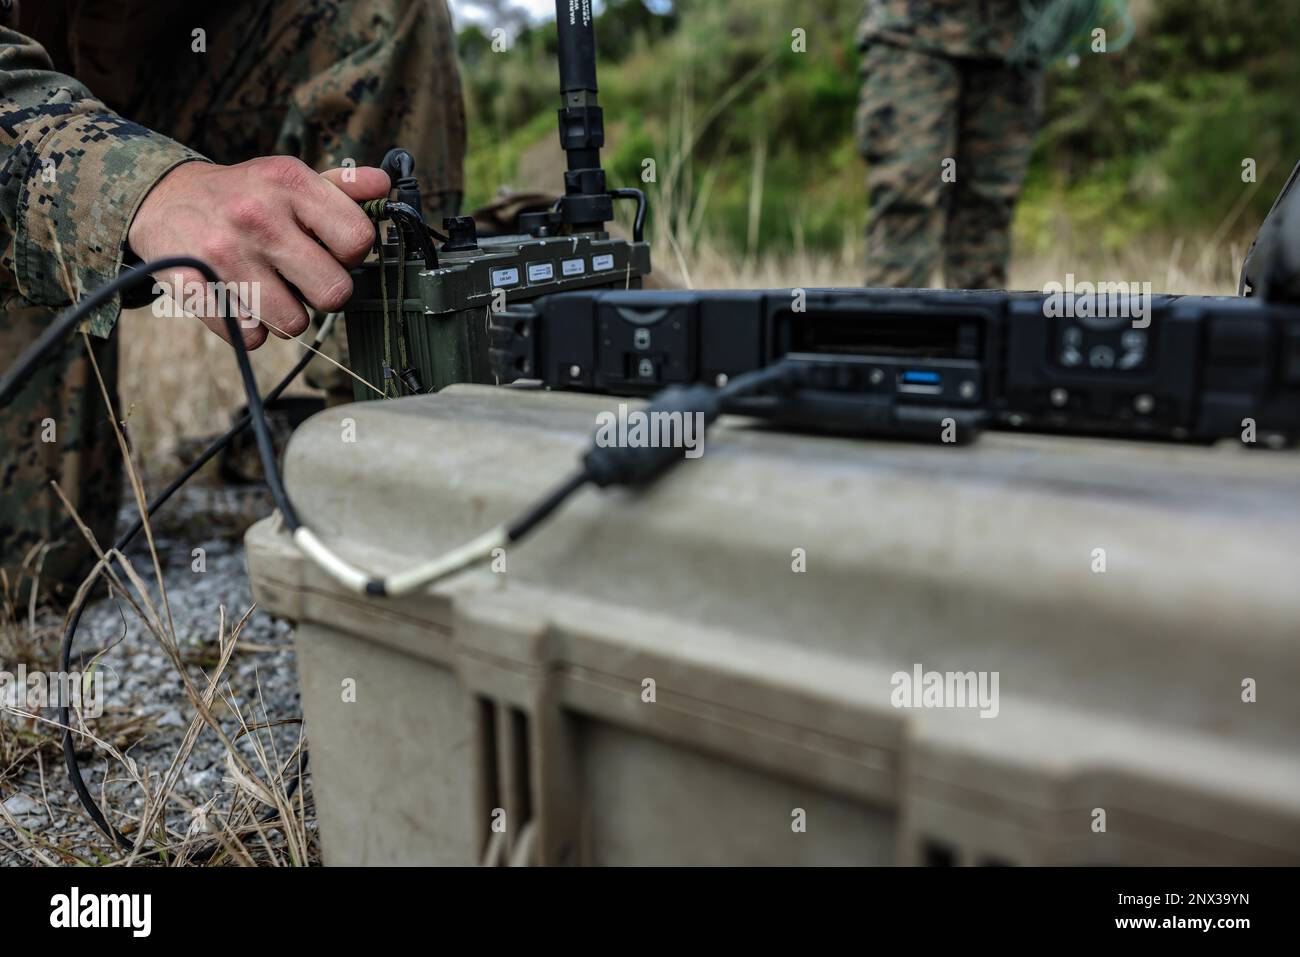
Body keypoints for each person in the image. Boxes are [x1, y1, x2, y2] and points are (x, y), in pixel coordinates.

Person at [0, 0, 466, 598]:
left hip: (165, 76)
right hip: (26, 122)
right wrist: (151, 188)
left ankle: (387, 426)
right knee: (31, 571)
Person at [855, 0, 1044, 289]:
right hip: (913, 33)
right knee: (908, 195)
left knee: (988, 210)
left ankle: (980, 328)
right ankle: (891, 326)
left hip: (1012, 42)